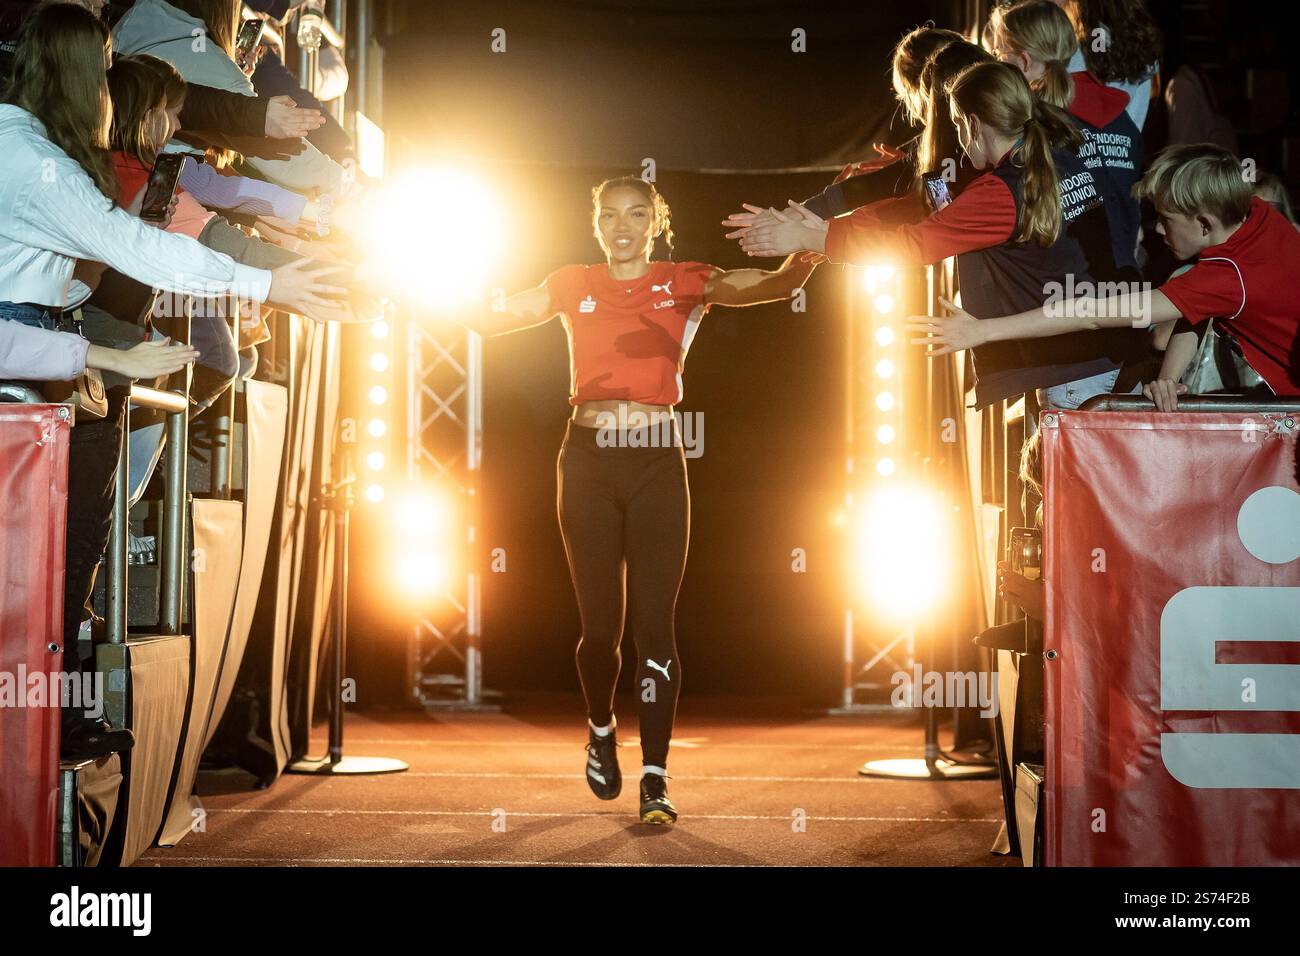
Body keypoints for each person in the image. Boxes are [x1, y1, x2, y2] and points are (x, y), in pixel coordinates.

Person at [0, 2, 341, 758]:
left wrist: (105, 359)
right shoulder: (42, 164)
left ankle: (60, 713)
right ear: (85, 75)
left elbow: (220, 195)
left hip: (57, 358)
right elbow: (139, 248)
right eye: (106, 70)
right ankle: (48, 723)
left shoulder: (39, 146)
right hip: (36, 373)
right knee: (58, 557)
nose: (112, 91)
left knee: (70, 556)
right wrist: (264, 286)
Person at [471, 176, 817, 824]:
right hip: (587, 463)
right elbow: (493, 314)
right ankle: (600, 727)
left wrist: (813, 249)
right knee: (601, 633)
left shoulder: (687, 279)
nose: (622, 225)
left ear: (655, 222)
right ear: (595, 223)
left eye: (636, 213)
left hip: (659, 462)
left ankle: (655, 778)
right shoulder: (571, 282)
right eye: (609, 214)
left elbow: (773, 286)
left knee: (655, 627)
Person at [728, 61, 1145, 411]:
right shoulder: (1058, 160)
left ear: (973, 123)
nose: (960, 146)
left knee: (1064, 504)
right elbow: (916, 213)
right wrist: (821, 228)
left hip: (1072, 375)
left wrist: (810, 240)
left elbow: (913, 245)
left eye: (959, 127)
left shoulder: (1000, 192)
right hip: (1099, 360)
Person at [906, 144, 1300, 406]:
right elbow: (1199, 310)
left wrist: (984, 331)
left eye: (1165, 219)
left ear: (1203, 223)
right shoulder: (1260, 215)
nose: (1157, 231)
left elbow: (1090, 313)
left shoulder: (1225, 278)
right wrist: (1170, 377)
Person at [991, 0, 1142, 272]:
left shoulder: (1030, 124)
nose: (996, 64)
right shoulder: (1123, 120)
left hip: (1067, 294)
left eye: (998, 54)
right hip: (1127, 282)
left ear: (1024, 61)